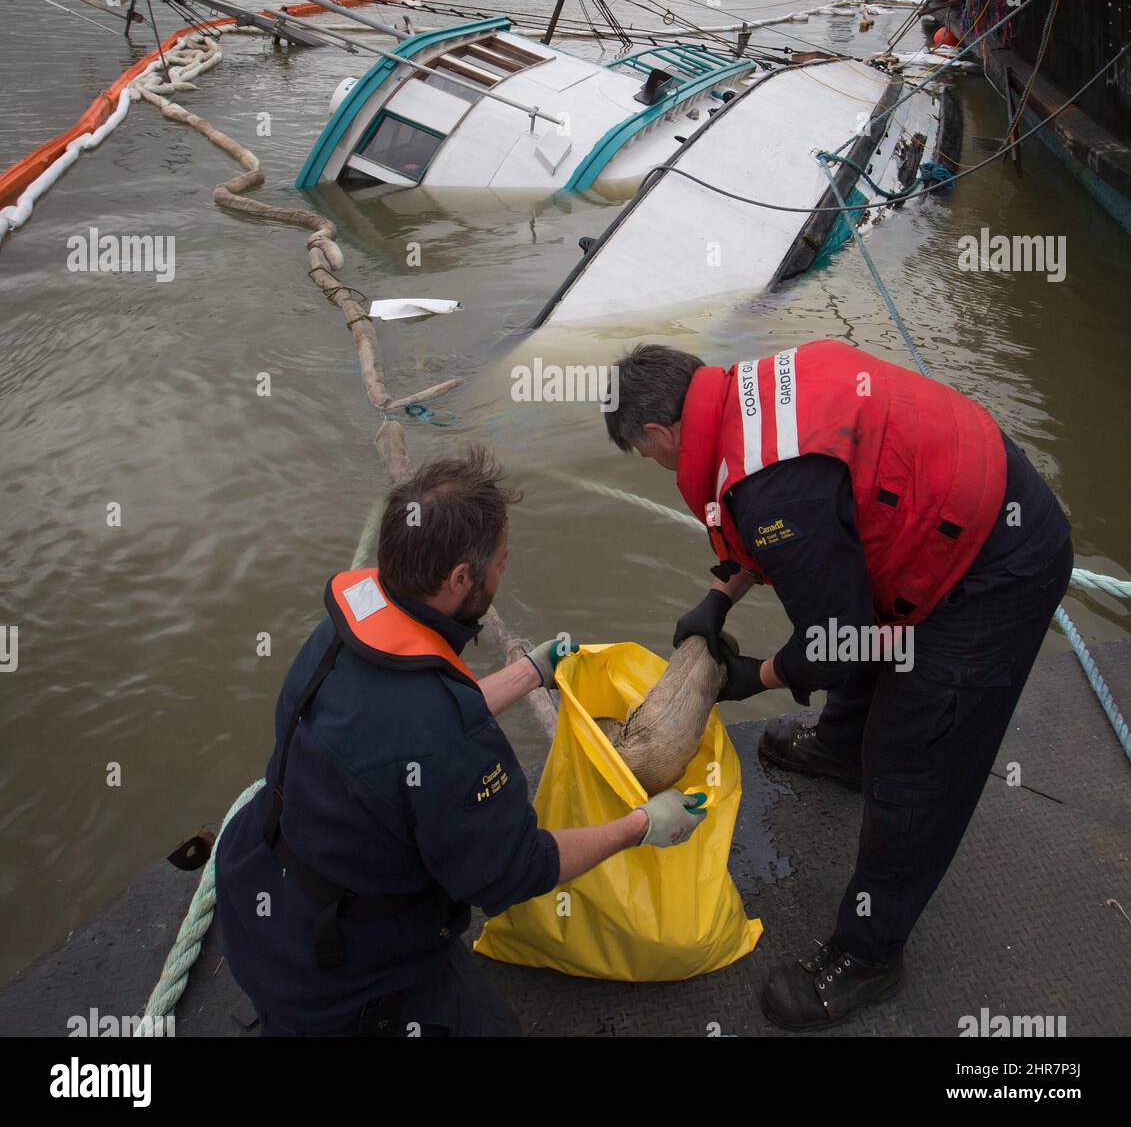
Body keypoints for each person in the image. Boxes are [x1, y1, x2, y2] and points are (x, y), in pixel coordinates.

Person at [603, 339, 1072, 1031]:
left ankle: (868, 956)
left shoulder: (769, 485)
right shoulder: (746, 393)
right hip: (944, 508)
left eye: (650, 456)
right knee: (872, 612)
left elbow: (837, 639)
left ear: (657, 431)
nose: (659, 464)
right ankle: (841, 749)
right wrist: (718, 596)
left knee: (915, 756)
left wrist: (750, 678)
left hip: (993, 565)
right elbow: (806, 523)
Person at [215, 446, 706, 1037]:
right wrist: (642, 825)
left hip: (255, 891)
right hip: (339, 964)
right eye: (500, 561)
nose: (504, 572)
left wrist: (530, 671)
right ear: (459, 580)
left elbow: (412, 723)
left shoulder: (340, 633)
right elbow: (516, 870)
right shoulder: (448, 735)